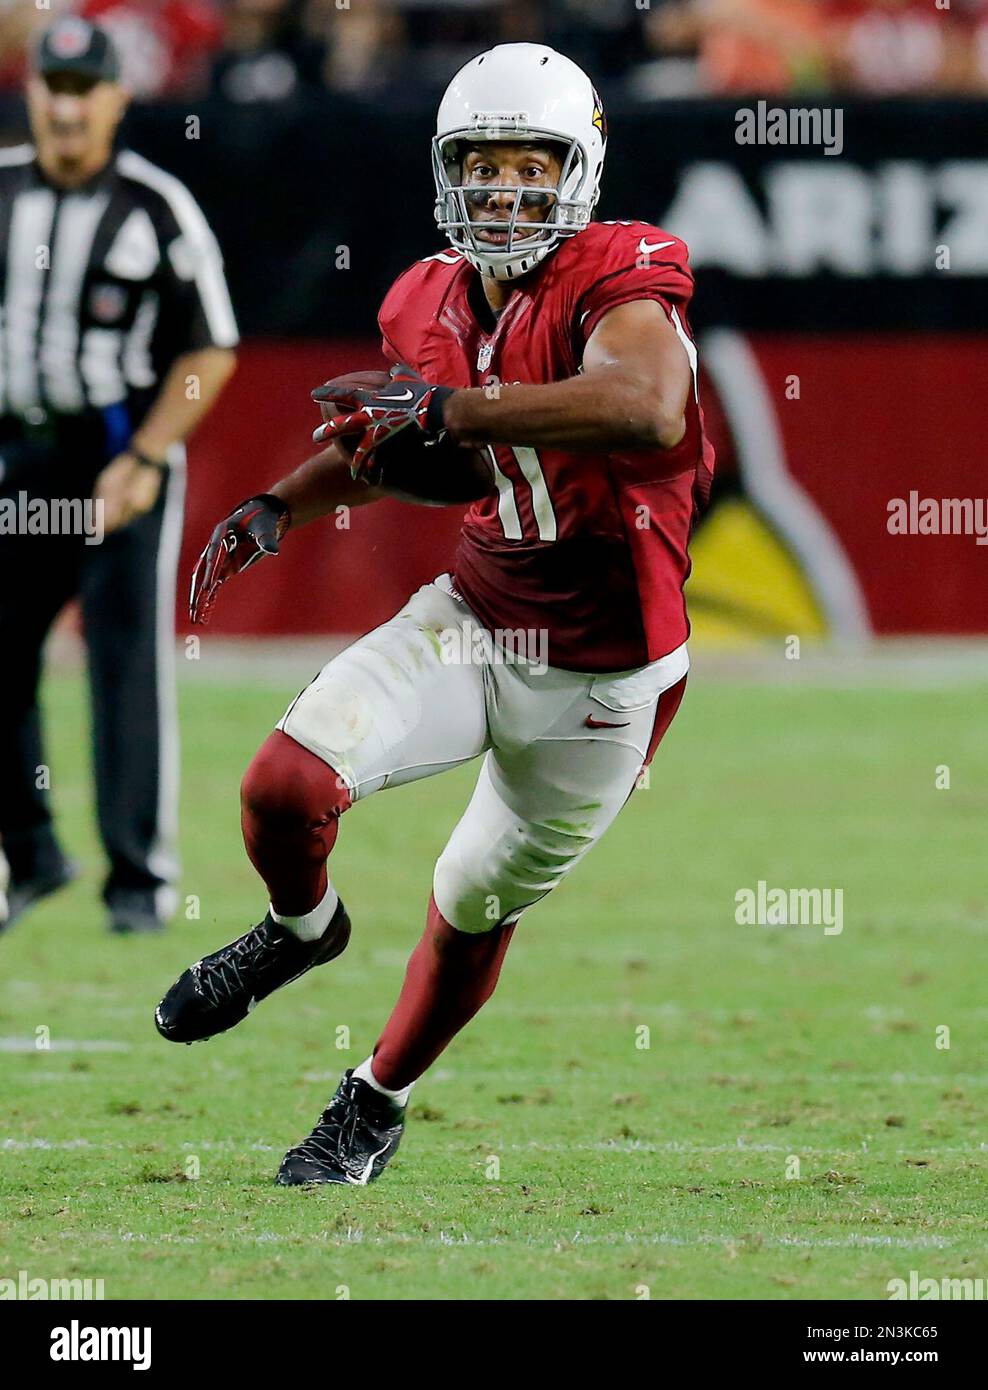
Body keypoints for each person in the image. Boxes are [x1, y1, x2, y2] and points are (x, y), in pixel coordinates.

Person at [155, 42, 713, 1186]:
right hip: (474, 610)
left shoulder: (621, 275)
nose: (504, 191)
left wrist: (457, 405)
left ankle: (373, 1101)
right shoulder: (424, 296)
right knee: (283, 785)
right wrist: (279, 503)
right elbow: (405, 448)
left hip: (603, 678)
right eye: (482, 164)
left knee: (468, 901)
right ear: (444, 172)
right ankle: (302, 934)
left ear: (582, 171)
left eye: (530, 164)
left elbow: (650, 409)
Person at [0, 16, 238, 936]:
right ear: (33, 95)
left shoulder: (155, 208)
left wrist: (144, 453)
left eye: (84, 90)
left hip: (114, 461)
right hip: (19, 462)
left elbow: (210, 348)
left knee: (124, 663)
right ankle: (32, 851)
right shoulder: (4, 193)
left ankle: (137, 880)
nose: (67, 108)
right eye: (52, 90)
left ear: (116, 97)